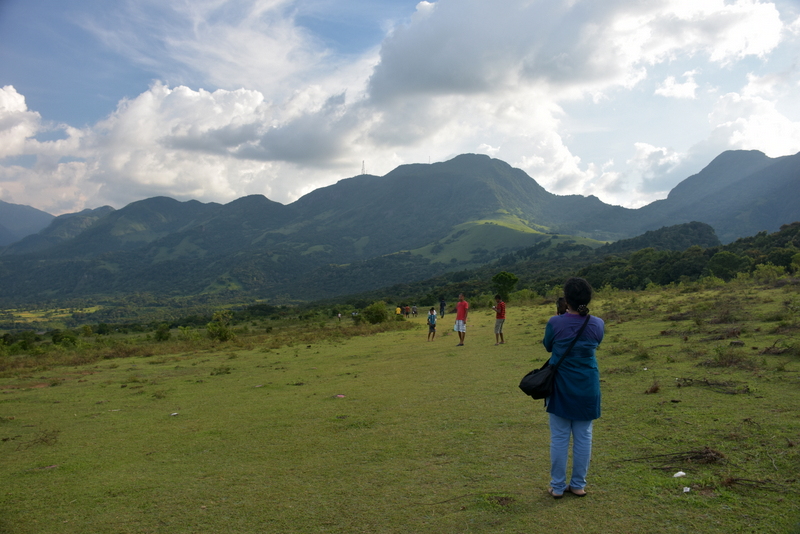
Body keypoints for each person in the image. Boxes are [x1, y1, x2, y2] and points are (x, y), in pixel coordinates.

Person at [542, 277, 604, 499]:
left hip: (560, 387)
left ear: (566, 300)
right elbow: (597, 343)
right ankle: (578, 485)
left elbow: (548, 346)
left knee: (559, 437)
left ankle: (557, 487)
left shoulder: (555, 322)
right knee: (584, 436)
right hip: (588, 387)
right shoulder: (597, 324)